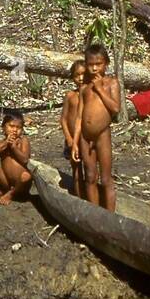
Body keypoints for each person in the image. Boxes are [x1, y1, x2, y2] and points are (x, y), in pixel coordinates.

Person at [78, 43, 120, 211]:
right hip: (84, 136)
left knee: (105, 178)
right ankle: (94, 214)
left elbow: (116, 108)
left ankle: (110, 217)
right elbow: (79, 116)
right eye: (90, 64)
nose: (94, 68)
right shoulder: (84, 88)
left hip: (102, 134)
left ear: (106, 64)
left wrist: (100, 89)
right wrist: (74, 141)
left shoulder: (111, 83)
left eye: (99, 64)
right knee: (89, 176)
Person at [0, 110, 32, 205]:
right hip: (6, 182)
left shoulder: (23, 141)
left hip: (21, 184)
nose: (14, 130)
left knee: (26, 176)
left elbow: (25, 160)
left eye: (18, 127)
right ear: (3, 127)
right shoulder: (0, 144)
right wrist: (4, 145)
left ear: (22, 130)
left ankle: (11, 194)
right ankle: (0, 190)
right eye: (11, 126)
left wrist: (14, 147)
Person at [60, 60, 86, 197]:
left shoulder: (91, 95)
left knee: (90, 169)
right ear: (72, 77)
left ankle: (90, 196)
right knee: (76, 170)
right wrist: (69, 138)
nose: (81, 78)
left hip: (86, 140)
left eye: (83, 74)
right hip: (72, 139)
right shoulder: (70, 96)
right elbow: (63, 119)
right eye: (77, 75)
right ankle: (78, 197)